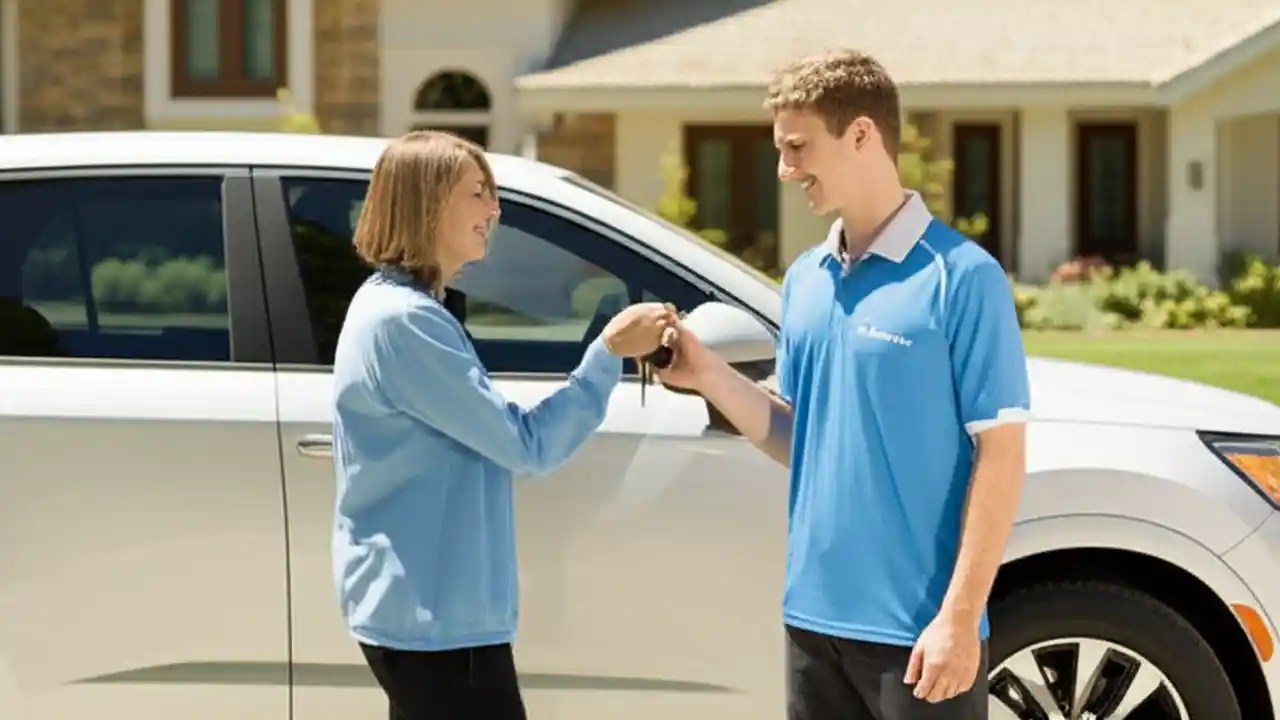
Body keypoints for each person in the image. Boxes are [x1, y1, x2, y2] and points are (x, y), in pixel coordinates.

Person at [657, 49, 1030, 720]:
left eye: (798, 147)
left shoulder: (962, 277)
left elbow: (1000, 457)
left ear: (861, 134)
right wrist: (707, 373)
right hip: (812, 623)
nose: (784, 169)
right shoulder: (807, 278)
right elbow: (800, 437)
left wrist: (959, 616)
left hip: (917, 634)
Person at [329, 130, 678, 720]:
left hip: (426, 615)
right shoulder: (405, 322)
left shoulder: (398, 307)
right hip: (436, 624)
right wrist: (608, 352)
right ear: (427, 203)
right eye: (478, 193)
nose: (494, 209)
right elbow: (527, 446)